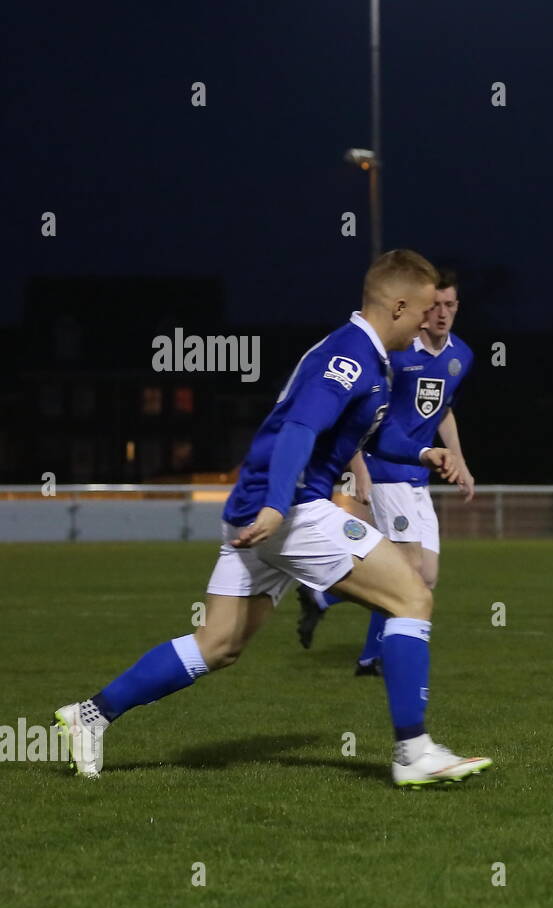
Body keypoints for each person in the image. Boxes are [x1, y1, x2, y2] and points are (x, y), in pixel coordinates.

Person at [52, 251, 493, 788]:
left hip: (264, 509)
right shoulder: (350, 355)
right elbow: (298, 431)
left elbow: (366, 436)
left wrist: (426, 455)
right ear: (399, 306)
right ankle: (412, 750)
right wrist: (279, 505)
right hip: (292, 509)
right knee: (413, 596)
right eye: (425, 309)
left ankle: (90, 715)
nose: (430, 320)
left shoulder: (373, 358)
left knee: (217, 646)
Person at [296, 270, 475, 675]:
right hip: (388, 470)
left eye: (451, 305)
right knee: (408, 571)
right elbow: (360, 414)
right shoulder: (396, 354)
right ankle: (374, 658)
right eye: (436, 306)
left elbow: (443, 408)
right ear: (422, 308)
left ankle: (322, 597)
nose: (442, 314)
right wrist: (358, 467)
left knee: (426, 576)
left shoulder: (460, 356)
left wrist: (459, 459)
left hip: (419, 475)